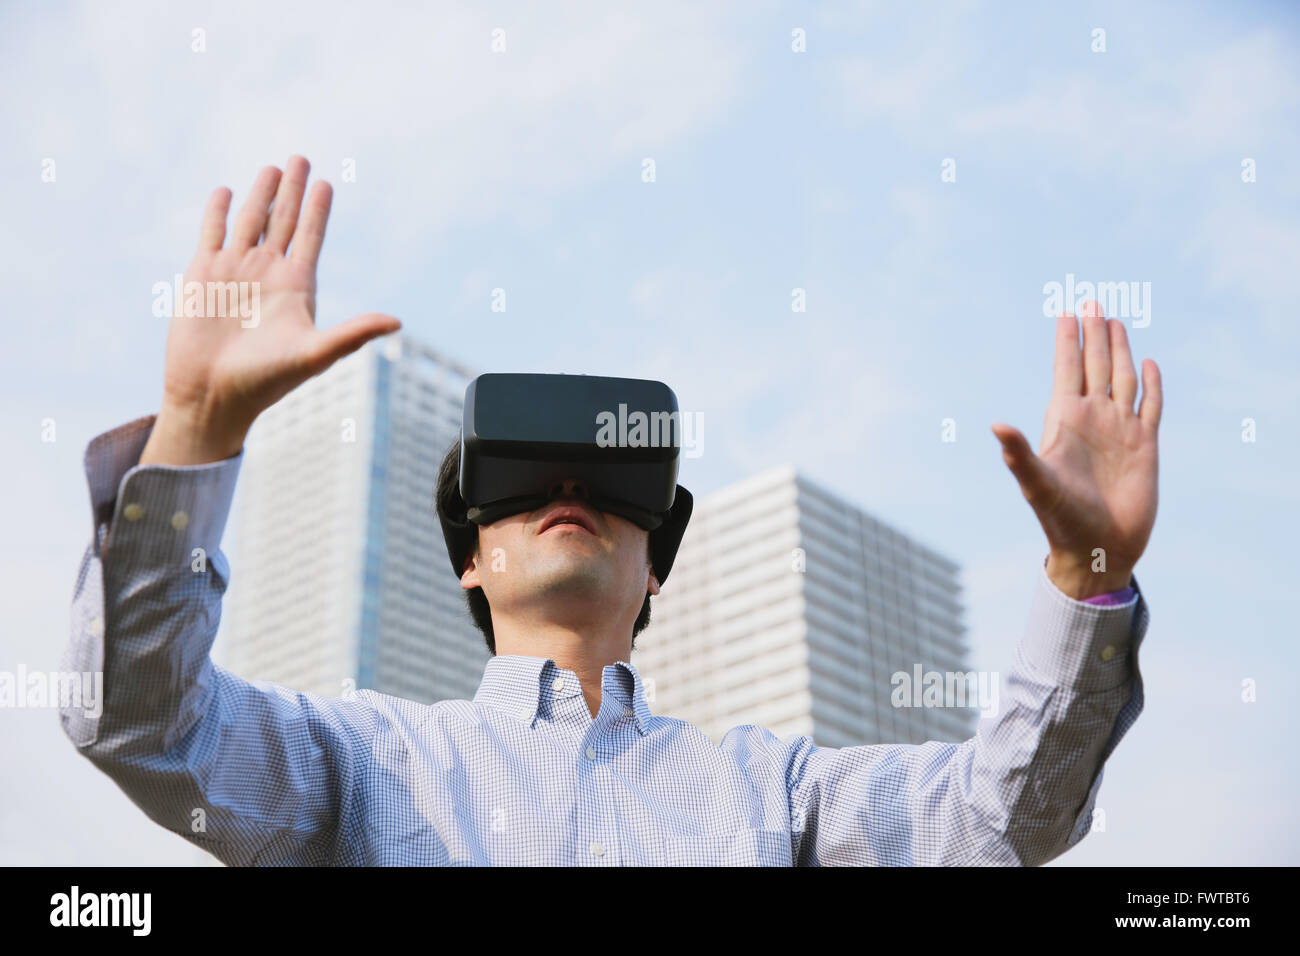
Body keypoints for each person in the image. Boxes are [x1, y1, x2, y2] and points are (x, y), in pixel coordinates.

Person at [59, 156, 1162, 866]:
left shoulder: (779, 793)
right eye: (526, 483)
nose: (570, 491)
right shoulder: (360, 760)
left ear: (654, 568)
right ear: (470, 564)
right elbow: (145, 722)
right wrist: (196, 428)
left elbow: (1002, 815)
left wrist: (1089, 569)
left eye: (607, 484)